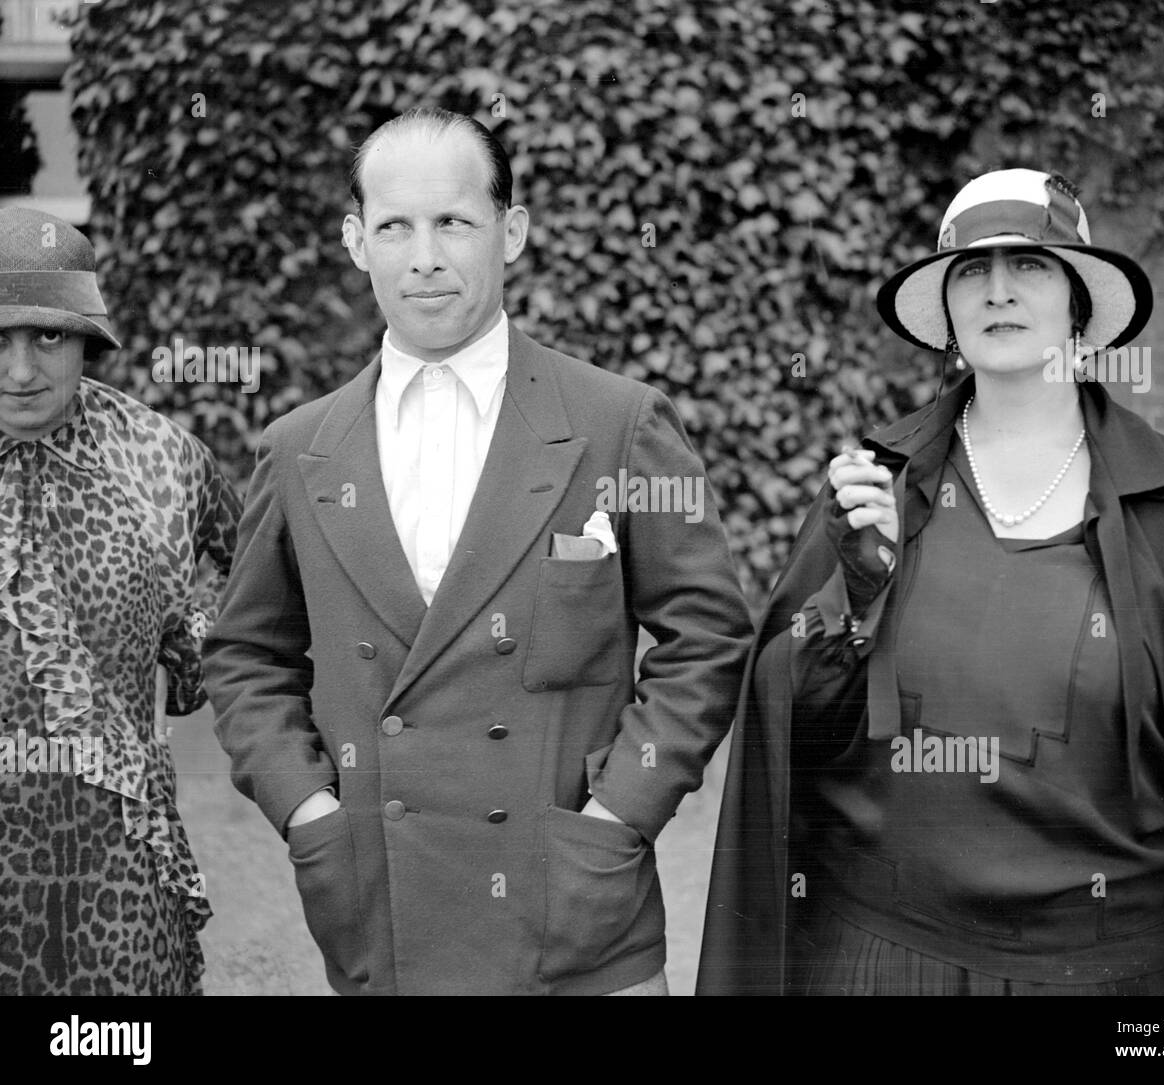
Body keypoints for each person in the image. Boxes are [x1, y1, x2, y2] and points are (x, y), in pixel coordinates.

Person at [697, 168, 1164, 995]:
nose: (1000, 290)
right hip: (883, 960)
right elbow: (788, 732)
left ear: (1077, 306)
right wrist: (856, 598)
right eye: (972, 271)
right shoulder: (879, 485)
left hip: (1115, 974)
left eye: (1032, 265)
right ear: (946, 313)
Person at [202, 107, 753, 996]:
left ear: (512, 231)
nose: (424, 255)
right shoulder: (299, 448)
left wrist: (618, 816)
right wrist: (309, 810)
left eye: (454, 221)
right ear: (355, 241)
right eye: (394, 226)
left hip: (578, 924)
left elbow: (710, 638)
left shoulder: (618, 423)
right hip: (384, 915)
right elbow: (243, 655)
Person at [0, 207, 240, 995]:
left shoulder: (161, 459)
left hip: (119, 856)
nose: (21, 370)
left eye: (48, 337)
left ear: (87, 340)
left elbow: (253, 579)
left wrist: (190, 637)